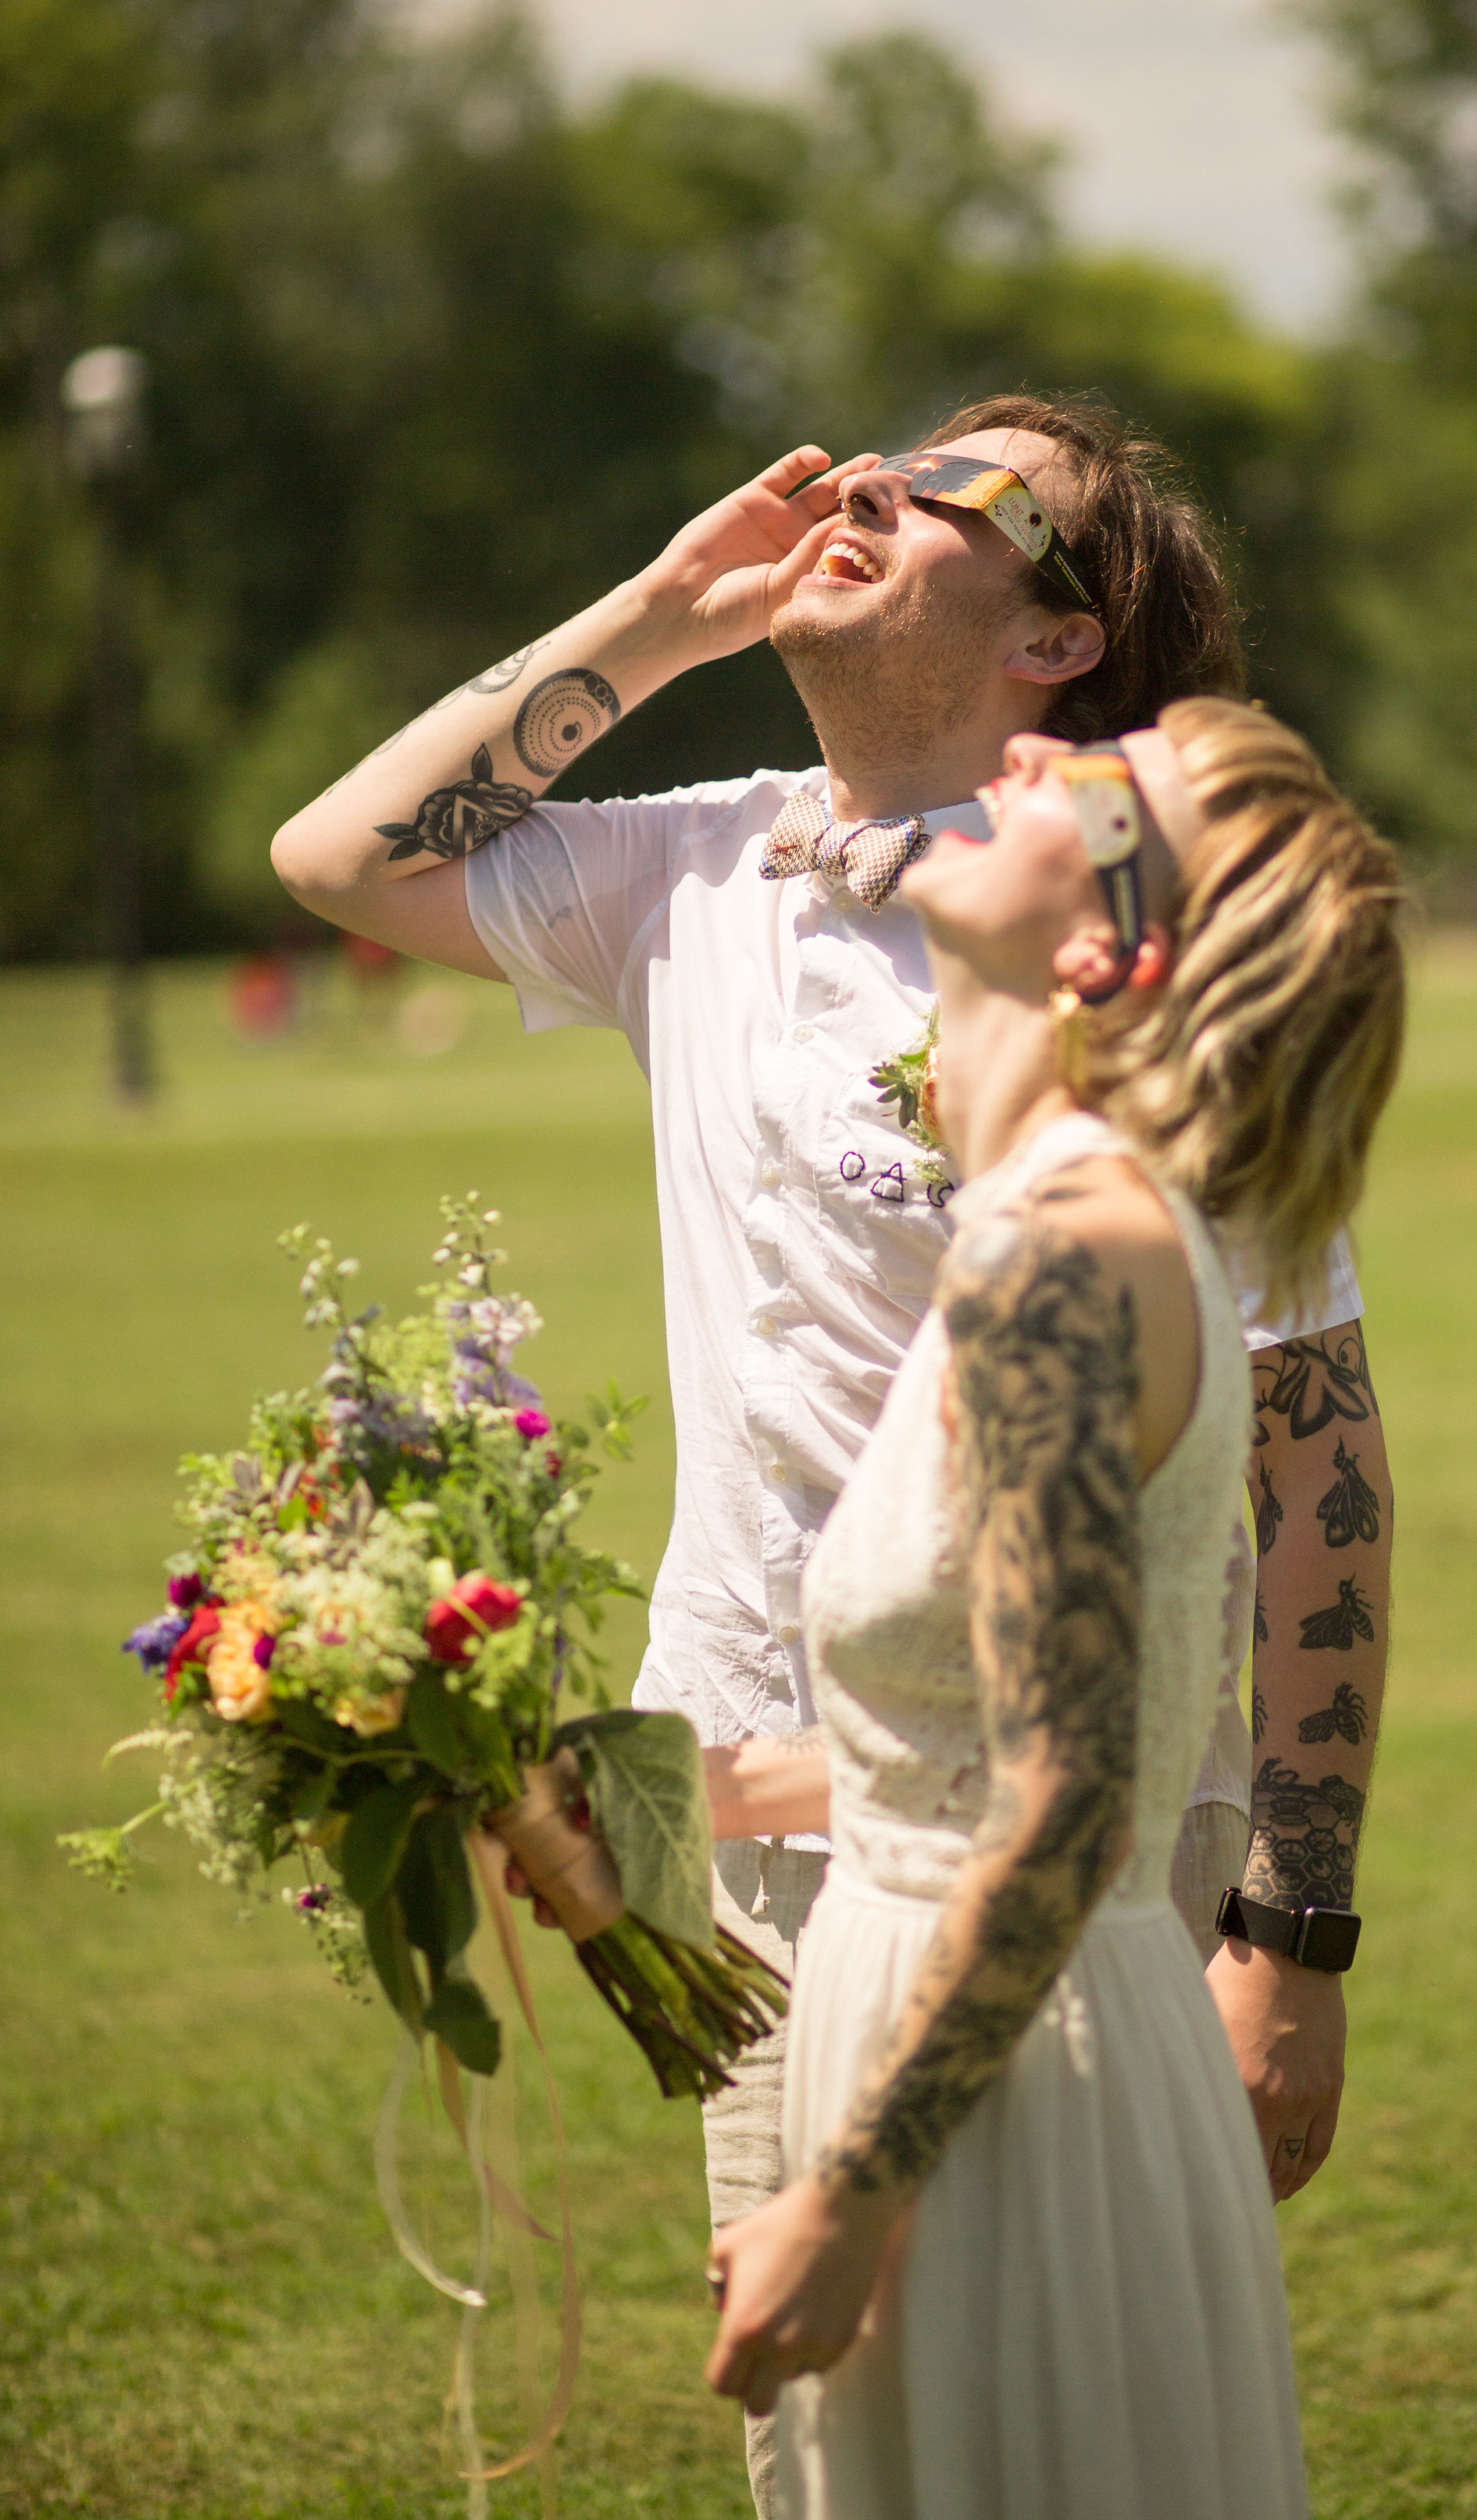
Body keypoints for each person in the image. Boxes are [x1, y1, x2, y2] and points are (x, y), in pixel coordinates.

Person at [270, 397, 1395, 2513]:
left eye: (946, 491)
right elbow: (337, 859)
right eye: (870, 460)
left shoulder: (1135, 1007)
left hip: (1070, 1843)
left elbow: (1321, 1476)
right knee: (832, 2443)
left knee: (1038, 2414)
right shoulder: (705, 864)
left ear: (1058, 646)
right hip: (773, 1822)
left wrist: (1294, 1932)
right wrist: (668, 614)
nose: (860, 485)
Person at [701, 703, 1405, 2518]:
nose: (1024, 753)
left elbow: (1073, 1797)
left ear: (1111, 949)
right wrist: (628, 1791)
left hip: (1015, 2101)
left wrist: (852, 2198)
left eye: (1092, 782)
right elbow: (960, 1751)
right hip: (991, 2039)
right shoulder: (1066, 1226)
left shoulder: (1063, 1263)